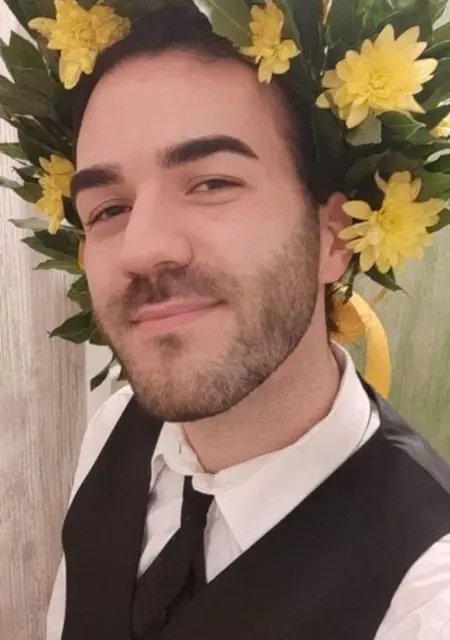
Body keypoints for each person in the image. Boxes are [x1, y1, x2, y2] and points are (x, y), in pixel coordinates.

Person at [3, 0, 450, 637]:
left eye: (211, 183)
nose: (141, 249)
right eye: (108, 209)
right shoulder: (113, 429)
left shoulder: (426, 601)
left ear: (334, 237)